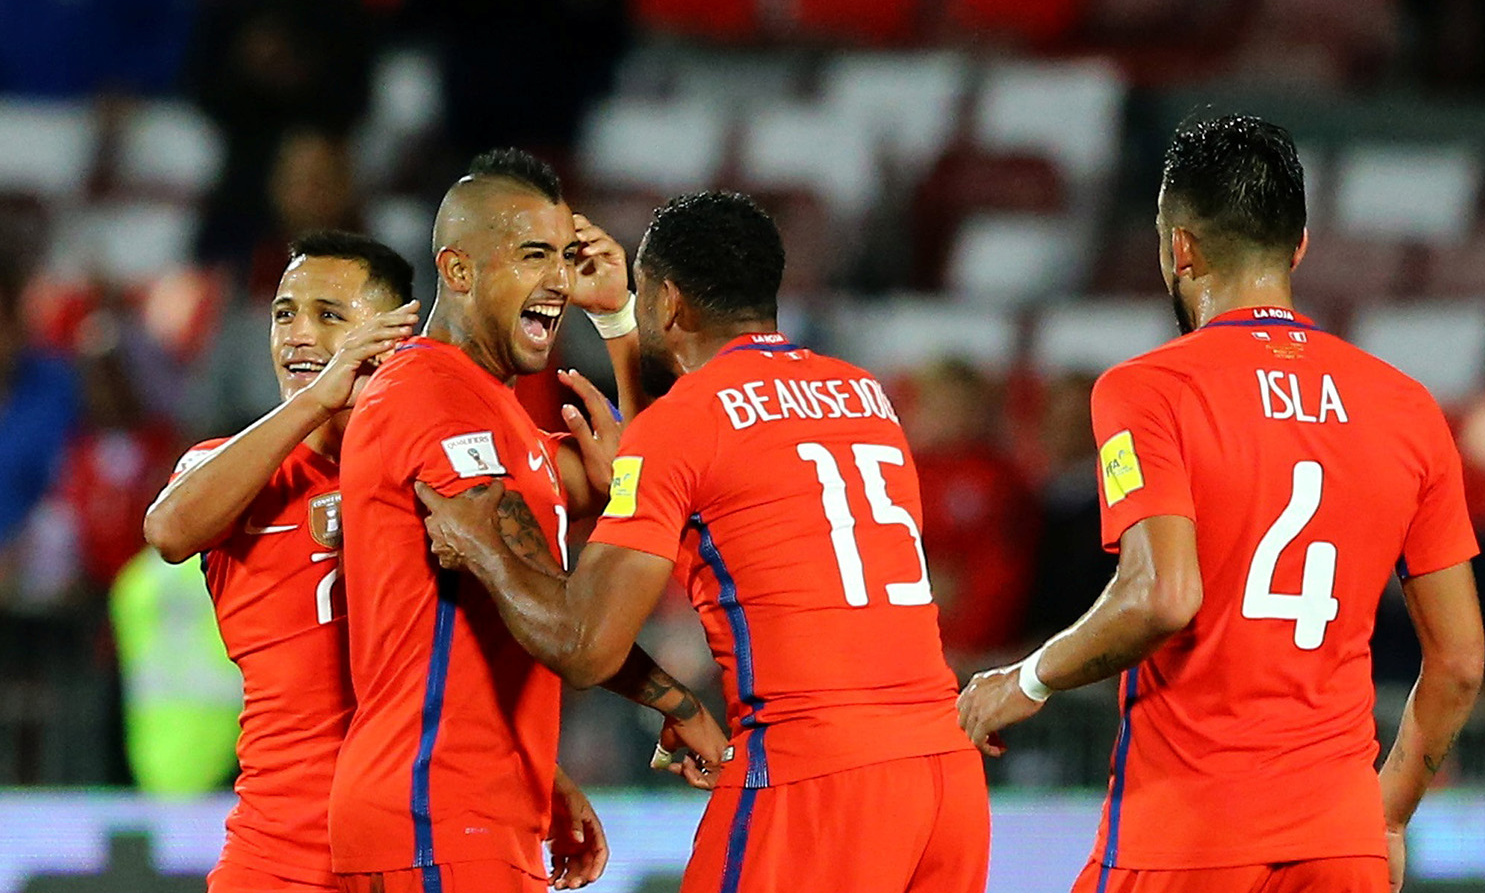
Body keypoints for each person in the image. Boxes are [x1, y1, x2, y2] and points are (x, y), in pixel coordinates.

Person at [957, 114, 1485, 893]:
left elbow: (1160, 595)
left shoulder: (1148, 391)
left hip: (1186, 833)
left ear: (1180, 249)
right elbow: (1461, 662)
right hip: (1340, 845)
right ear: (1299, 246)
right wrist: (1388, 815)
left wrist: (1026, 679)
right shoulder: (1407, 407)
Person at [414, 190, 990, 893]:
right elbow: (717, 463)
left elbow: (585, 645)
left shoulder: (685, 426)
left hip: (813, 779)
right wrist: (619, 322)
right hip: (945, 776)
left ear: (669, 303)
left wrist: (486, 549)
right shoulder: (866, 396)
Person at [330, 150, 723, 893]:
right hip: (432, 814)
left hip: (479, 813)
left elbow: (644, 487)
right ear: (458, 271)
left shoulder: (499, 419)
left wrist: (618, 323)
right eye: (533, 255)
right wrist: (674, 700)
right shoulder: (427, 401)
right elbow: (568, 628)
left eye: (566, 259)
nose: (558, 282)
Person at [143, 230, 425, 892]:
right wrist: (315, 401)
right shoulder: (234, 470)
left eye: (330, 315)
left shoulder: (428, 471)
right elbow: (168, 529)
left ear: (393, 339)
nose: (298, 334)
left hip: (416, 850)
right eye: (284, 313)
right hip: (280, 859)